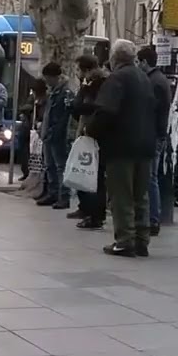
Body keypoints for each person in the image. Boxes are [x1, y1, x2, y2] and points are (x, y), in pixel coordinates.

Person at [91, 40, 157, 257]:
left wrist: (90, 131)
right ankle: (141, 240)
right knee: (141, 195)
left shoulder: (117, 79)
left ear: (115, 58)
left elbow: (106, 111)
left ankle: (125, 240)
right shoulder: (143, 78)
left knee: (122, 195)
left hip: (121, 145)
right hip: (145, 145)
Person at [138, 46, 172, 235]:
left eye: (138, 62)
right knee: (150, 176)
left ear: (144, 62)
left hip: (153, 135)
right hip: (155, 134)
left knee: (150, 178)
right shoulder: (157, 79)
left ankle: (153, 219)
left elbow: (150, 109)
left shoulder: (154, 82)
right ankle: (152, 217)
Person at [70, 55, 107, 229]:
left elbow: (87, 107)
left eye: (79, 70)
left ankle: (96, 215)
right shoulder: (88, 86)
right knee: (86, 173)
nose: (77, 74)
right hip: (88, 132)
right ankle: (87, 209)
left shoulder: (100, 85)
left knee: (96, 176)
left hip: (98, 136)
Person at [37, 62, 73, 209]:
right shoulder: (53, 91)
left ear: (54, 77)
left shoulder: (65, 93)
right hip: (48, 133)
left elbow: (63, 116)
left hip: (58, 135)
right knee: (49, 165)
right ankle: (52, 193)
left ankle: (63, 196)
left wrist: (53, 131)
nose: (46, 82)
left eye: (48, 79)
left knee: (60, 166)